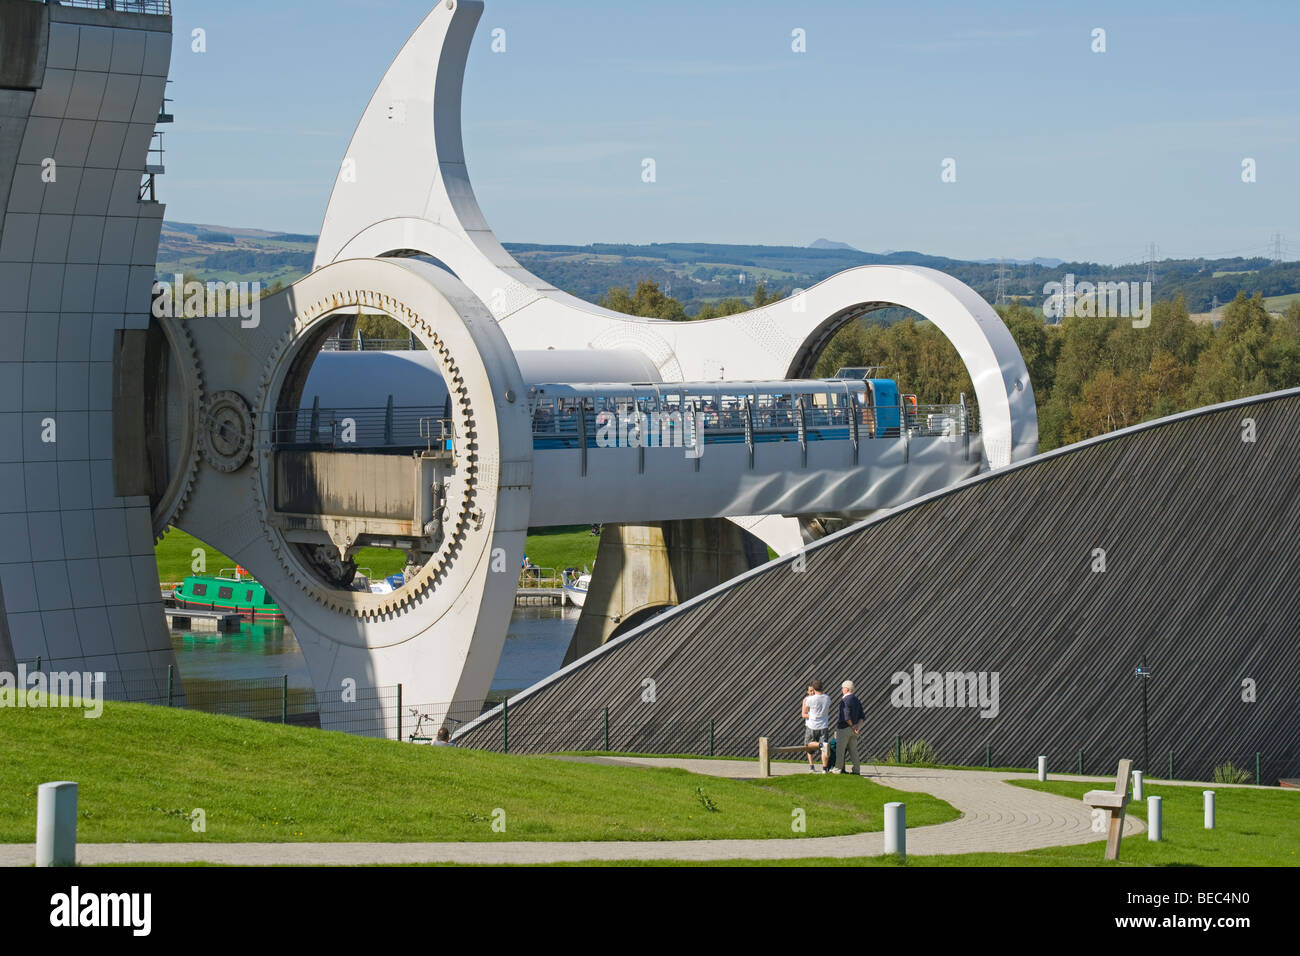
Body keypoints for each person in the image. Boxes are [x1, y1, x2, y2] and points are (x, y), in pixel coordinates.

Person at [830, 679, 863, 774]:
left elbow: (846, 716)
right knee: (854, 751)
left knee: (840, 750)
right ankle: (856, 770)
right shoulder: (856, 700)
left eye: (843, 688)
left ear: (847, 689)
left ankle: (837, 769)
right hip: (854, 729)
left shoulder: (845, 700)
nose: (842, 689)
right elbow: (862, 716)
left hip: (844, 728)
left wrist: (852, 726)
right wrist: (857, 727)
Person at [801, 680, 831, 772]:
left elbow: (805, 712)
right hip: (823, 725)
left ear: (814, 688)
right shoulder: (827, 697)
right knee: (823, 748)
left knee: (807, 744)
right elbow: (804, 714)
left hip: (812, 725)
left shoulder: (810, 700)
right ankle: (824, 768)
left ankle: (821, 745)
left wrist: (813, 715)